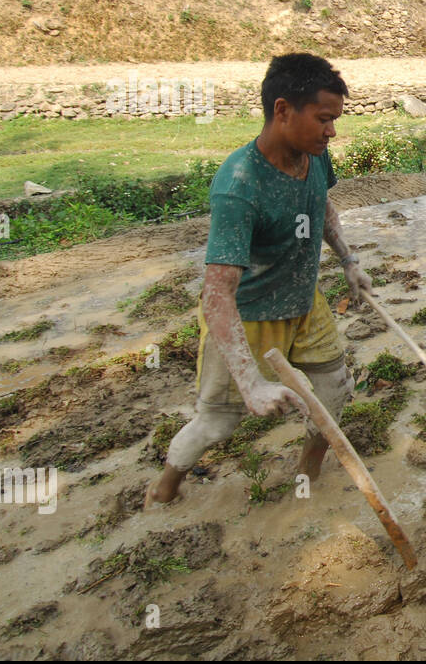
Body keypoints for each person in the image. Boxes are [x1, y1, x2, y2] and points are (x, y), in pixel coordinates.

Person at [145, 53, 372, 508]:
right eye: (324, 119)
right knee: (217, 423)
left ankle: (307, 473)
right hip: (249, 316)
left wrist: (348, 260)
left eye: (335, 120)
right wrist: (250, 381)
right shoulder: (239, 185)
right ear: (283, 110)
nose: (332, 131)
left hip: (305, 300)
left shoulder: (315, 156)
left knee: (333, 390)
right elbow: (217, 294)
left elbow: (321, 207)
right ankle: (164, 488)